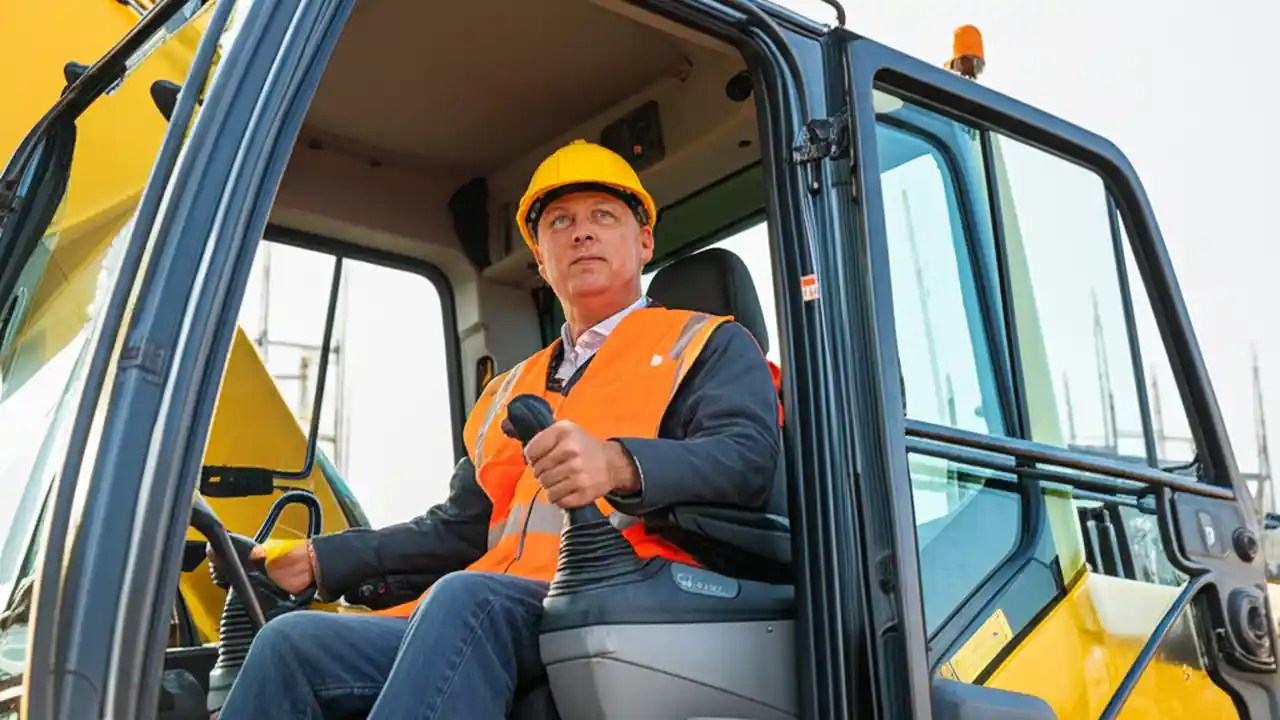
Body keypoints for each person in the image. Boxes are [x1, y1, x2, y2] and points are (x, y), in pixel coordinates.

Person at [217, 139, 781, 719]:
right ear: (541, 258)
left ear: (643, 242)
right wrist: (322, 559)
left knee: (467, 598)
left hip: (628, 590)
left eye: (603, 217)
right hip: (498, 602)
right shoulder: (510, 389)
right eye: (560, 222)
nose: (581, 233)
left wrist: (617, 463)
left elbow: (746, 460)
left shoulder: (707, 343)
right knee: (292, 644)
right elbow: (457, 529)